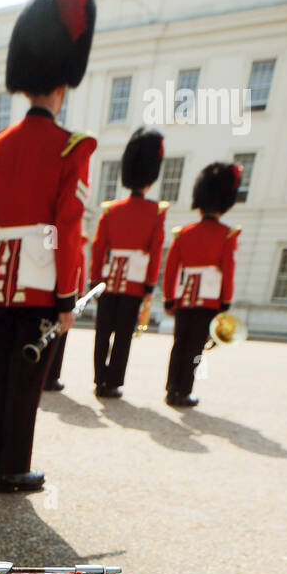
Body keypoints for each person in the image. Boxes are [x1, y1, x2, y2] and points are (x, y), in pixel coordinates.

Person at [0, 0, 97, 493]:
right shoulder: (72, 148)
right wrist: (67, 295)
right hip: (42, 286)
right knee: (25, 382)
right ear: (64, 83)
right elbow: (68, 226)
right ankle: (12, 469)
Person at [90, 126, 166, 399]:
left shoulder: (111, 210)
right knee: (123, 336)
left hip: (108, 282)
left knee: (103, 333)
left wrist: (95, 279)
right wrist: (149, 286)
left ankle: (100, 379)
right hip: (134, 285)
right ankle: (113, 382)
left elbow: (98, 248)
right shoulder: (155, 212)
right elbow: (155, 252)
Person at [163, 161, 241, 407]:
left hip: (184, 300)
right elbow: (228, 273)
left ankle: (171, 389)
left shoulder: (183, 233)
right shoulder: (227, 236)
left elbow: (171, 270)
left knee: (179, 345)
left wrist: (169, 298)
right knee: (195, 349)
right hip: (208, 302)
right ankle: (183, 391)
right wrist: (225, 302)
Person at [43, 228, 87, 391]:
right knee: (58, 336)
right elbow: (76, 272)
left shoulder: (49, 234)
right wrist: (75, 296)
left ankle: (44, 375)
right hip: (63, 292)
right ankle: (51, 376)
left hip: (44, 288)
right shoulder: (72, 243)